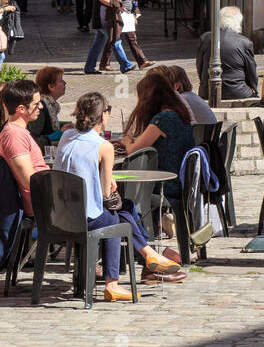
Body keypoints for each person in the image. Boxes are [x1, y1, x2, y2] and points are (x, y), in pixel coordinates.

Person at [54, 92, 185, 293]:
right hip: (84, 217)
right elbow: (107, 195)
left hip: (58, 214)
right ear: (104, 115)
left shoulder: (66, 136)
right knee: (117, 219)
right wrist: (109, 181)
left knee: (126, 208)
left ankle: (148, 256)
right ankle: (115, 281)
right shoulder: (103, 146)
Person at [118, 71, 196, 204]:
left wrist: (126, 141)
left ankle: (129, 219)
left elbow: (133, 151)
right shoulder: (179, 113)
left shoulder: (163, 119)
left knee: (120, 180)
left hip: (166, 183)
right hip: (181, 179)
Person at [0, 79, 49, 216]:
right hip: (41, 208)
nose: (41, 107)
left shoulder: (17, 132)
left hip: (45, 203)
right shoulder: (14, 135)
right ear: (21, 109)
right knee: (107, 219)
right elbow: (29, 181)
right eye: (36, 104)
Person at [196, 6, 258, 101]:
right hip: (238, 91)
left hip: (208, 91)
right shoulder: (245, 42)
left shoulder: (205, 38)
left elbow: (200, 66)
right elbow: (251, 72)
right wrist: (254, 89)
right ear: (238, 22)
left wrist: (204, 84)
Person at [84, 0, 136, 75]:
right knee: (115, 40)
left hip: (106, 17)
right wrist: (115, 4)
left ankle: (89, 67)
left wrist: (120, 5)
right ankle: (125, 65)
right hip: (103, 18)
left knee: (98, 43)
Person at [117, 0, 154, 69]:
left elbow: (132, 1)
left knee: (130, 38)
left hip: (127, 15)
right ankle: (142, 61)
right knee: (111, 41)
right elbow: (119, 0)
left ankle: (142, 61)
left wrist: (134, 15)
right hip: (122, 15)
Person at [27, 67, 66, 146]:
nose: (65, 83)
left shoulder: (51, 105)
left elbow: (47, 125)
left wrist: (63, 125)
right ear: (51, 87)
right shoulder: (40, 107)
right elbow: (32, 139)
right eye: (61, 80)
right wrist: (58, 134)